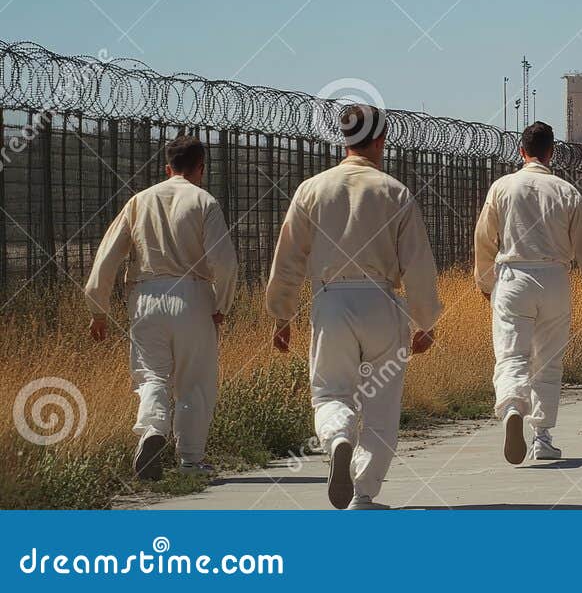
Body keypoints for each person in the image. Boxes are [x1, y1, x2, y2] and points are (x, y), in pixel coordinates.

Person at [265, 104, 443, 510]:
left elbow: (289, 256)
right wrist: (426, 319)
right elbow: (417, 263)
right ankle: (364, 492)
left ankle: (338, 437)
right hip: (381, 299)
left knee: (330, 392)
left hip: (331, 299)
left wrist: (281, 314)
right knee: (381, 405)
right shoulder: (394, 191)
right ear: (379, 140)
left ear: (344, 138)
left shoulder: (312, 189)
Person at [84, 135, 238, 481]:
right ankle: (190, 460)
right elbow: (225, 262)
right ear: (201, 168)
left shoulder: (139, 201)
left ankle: (153, 430)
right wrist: (222, 304)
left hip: (145, 295)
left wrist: (98, 307)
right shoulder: (204, 201)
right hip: (193, 294)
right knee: (194, 382)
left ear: (167, 168)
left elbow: (107, 256)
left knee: (152, 375)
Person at [474, 122, 582, 464]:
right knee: (548, 363)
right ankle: (542, 437)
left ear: (521, 151)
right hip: (553, 277)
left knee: (512, 356)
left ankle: (511, 408)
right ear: (552, 153)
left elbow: (484, 239)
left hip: (513, 275)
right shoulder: (566, 191)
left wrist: (485, 282)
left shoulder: (502, 188)